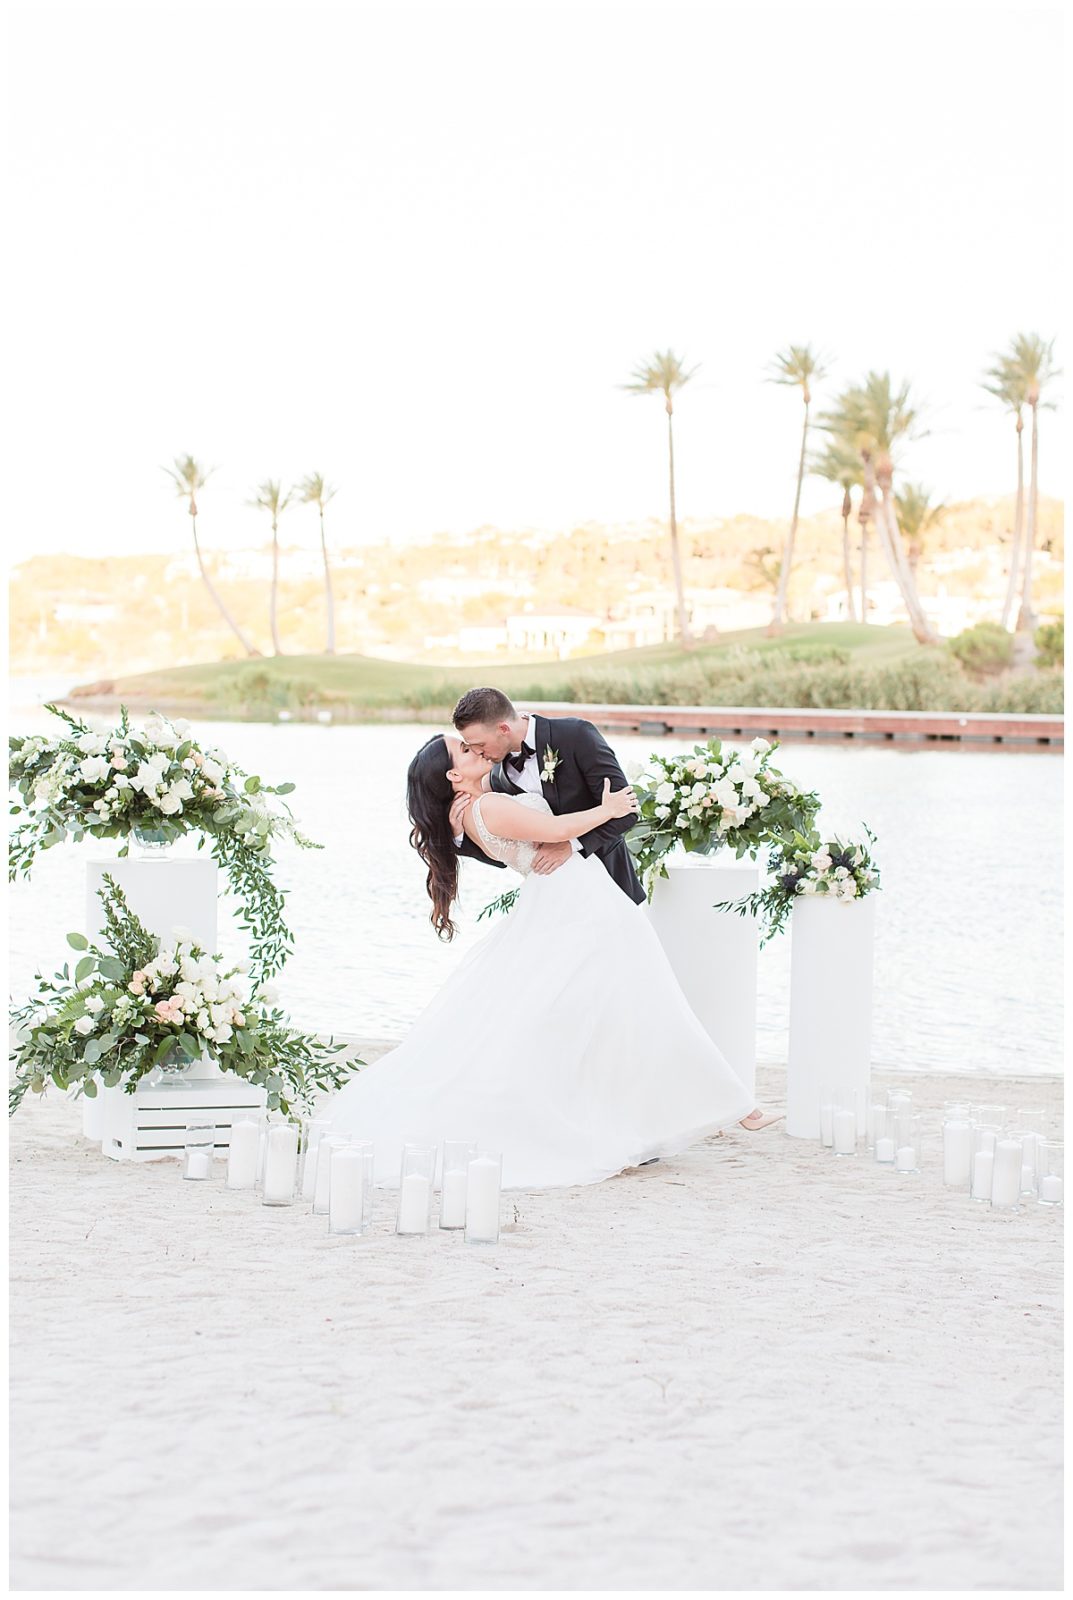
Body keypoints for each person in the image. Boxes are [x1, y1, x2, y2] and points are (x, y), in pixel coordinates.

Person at [326, 730, 783, 1190]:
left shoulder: (463, 812)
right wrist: (607, 810)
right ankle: (733, 1106)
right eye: (465, 751)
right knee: (646, 997)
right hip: (578, 901)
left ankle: (719, 1106)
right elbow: (557, 832)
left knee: (622, 1005)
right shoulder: (486, 807)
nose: (477, 751)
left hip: (566, 899)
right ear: (452, 774)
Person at [449, 686, 645, 903]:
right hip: (553, 899)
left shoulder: (576, 735)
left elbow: (627, 810)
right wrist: (459, 837)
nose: (477, 752)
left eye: (480, 745)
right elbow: (505, 853)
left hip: (610, 883)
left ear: (503, 728)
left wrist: (571, 845)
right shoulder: (497, 776)